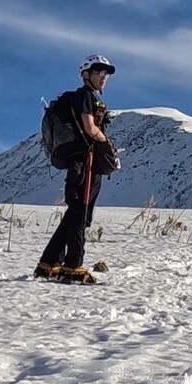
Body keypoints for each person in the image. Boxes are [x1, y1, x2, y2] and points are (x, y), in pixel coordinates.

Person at [35, 55, 121, 283]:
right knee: (80, 213)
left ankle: (48, 262)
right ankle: (73, 266)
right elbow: (89, 127)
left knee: (75, 212)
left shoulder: (88, 97)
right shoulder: (85, 96)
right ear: (86, 74)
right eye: (98, 73)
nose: (103, 78)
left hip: (81, 161)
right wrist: (107, 144)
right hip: (86, 161)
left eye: (106, 74)